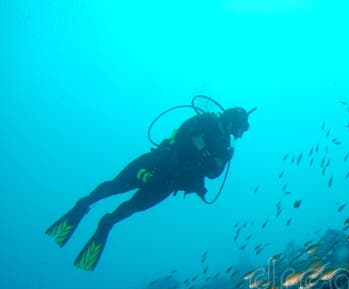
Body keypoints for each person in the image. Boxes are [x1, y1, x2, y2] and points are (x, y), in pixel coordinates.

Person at [45, 105, 253, 271]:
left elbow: (213, 175)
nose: (239, 135)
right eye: (240, 129)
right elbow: (183, 134)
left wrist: (223, 159)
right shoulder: (206, 120)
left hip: (168, 183)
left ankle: (106, 224)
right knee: (115, 186)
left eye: (241, 132)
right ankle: (83, 205)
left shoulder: (225, 146)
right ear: (231, 121)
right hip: (155, 164)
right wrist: (205, 152)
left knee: (132, 207)